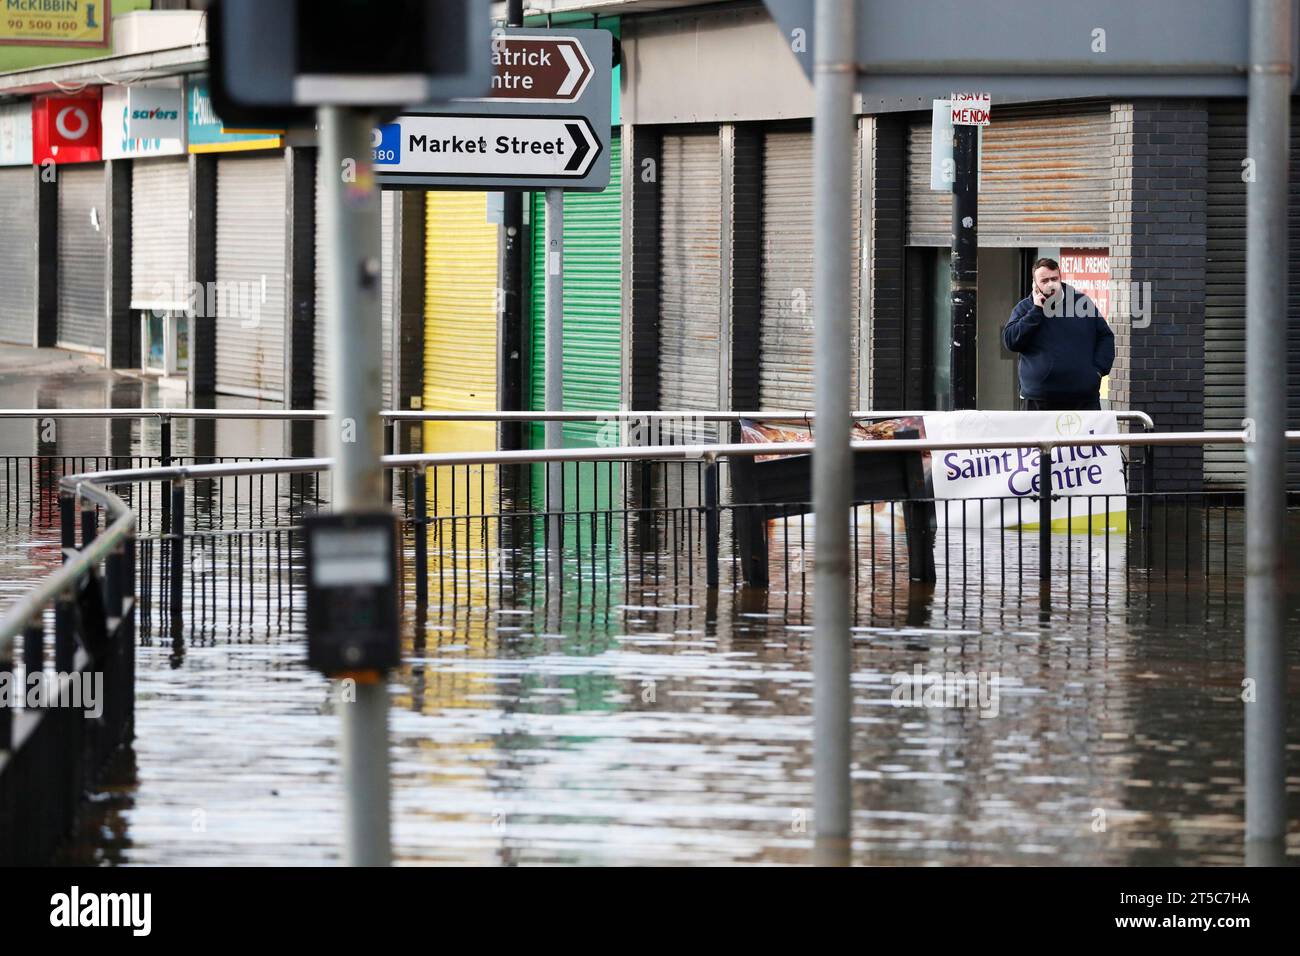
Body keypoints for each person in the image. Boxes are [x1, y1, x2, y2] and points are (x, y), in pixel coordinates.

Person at [1002, 257, 1115, 411]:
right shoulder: (1025, 308)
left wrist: (1097, 371)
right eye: (1044, 280)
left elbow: (1105, 336)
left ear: (1060, 278)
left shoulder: (1081, 303)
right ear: (1035, 284)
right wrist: (1036, 311)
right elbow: (1011, 341)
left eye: (1054, 278)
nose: (1050, 284)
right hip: (1039, 399)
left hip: (1082, 397)